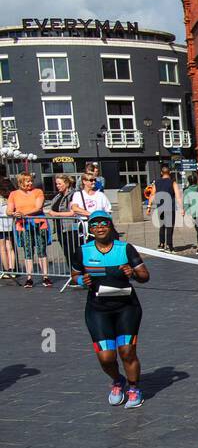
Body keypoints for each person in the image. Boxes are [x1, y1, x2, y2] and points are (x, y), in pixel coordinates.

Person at [69, 211, 150, 410]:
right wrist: (81, 280)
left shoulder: (125, 248)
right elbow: (74, 275)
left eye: (104, 224)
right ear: (91, 229)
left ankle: (134, 388)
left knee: (127, 351)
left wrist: (132, 273)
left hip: (127, 308)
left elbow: (145, 276)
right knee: (106, 357)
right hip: (97, 310)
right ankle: (117, 381)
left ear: (110, 226)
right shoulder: (83, 251)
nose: (100, 228)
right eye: (95, 225)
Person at [8, 171, 51, 288]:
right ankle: (29, 278)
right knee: (28, 251)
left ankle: (45, 277)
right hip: (23, 225)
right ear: (21, 182)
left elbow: (38, 207)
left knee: (41, 250)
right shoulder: (14, 194)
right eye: (28, 181)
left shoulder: (38, 191)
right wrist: (14, 213)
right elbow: (9, 210)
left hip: (38, 224)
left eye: (31, 180)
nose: (30, 183)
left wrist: (22, 213)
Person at [47, 174, 81, 268]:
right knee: (66, 252)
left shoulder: (73, 195)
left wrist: (56, 214)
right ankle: (72, 273)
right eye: (56, 184)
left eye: (59, 184)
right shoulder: (58, 196)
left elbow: (73, 212)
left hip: (70, 228)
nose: (57, 186)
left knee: (73, 252)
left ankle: (78, 272)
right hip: (60, 228)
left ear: (66, 184)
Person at [145, 165, 178, 252]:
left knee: (162, 226)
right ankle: (169, 246)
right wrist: (182, 208)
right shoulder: (173, 182)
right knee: (169, 227)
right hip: (170, 207)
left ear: (161, 173)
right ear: (169, 172)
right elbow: (178, 196)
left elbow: (152, 194)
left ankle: (161, 244)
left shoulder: (157, 183)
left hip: (160, 208)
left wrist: (149, 207)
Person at [69, 172, 112, 238]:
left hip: (100, 226)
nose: (94, 182)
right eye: (91, 180)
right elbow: (75, 208)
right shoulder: (78, 194)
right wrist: (93, 215)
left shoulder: (100, 195)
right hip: (85, 227)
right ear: (84, 181)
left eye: (95, 180)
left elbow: (108, 211)